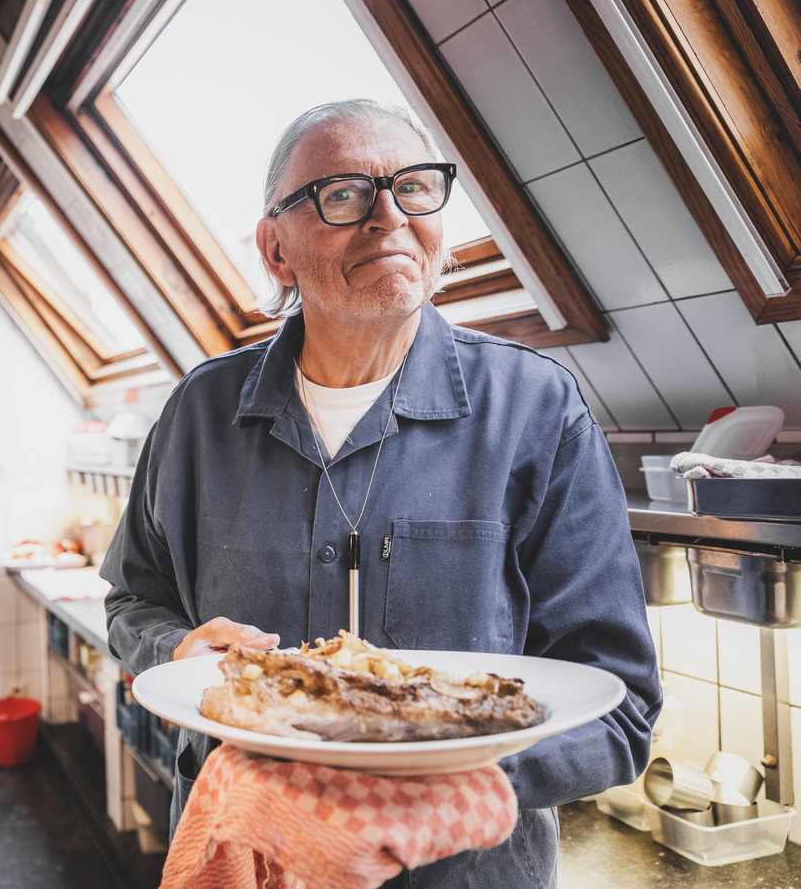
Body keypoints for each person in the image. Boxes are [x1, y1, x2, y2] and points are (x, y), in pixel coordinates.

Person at [100, 99, 662, 887]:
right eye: (344, 194)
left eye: (415, 188)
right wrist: (177, 650)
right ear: (276, 249)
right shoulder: (199, 414)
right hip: (247, 860)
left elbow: (622, 709)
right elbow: (132, 603)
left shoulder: (538, 411)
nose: (390, 216)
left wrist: (443, 792)